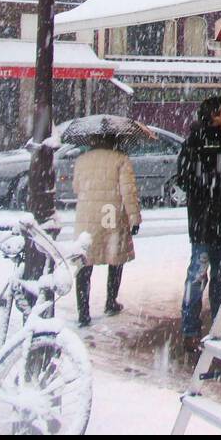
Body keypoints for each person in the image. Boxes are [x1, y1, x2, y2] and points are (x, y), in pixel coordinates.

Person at [176, 96, 221, 348]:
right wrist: (220, 176)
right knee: (198, 277)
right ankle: (190, 329)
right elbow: (185, 179)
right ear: (215, 115)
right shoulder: (195, 141)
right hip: (204, 222)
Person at [71, 132, 142, 326]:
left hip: (87, 214)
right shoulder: (120, 159)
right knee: (115, 256)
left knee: (85, 262)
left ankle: (83, 313)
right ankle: (111, 301)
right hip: (110, 212)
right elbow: (128, 192)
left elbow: (76, 187)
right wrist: (134, 218)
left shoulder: (82, 160)